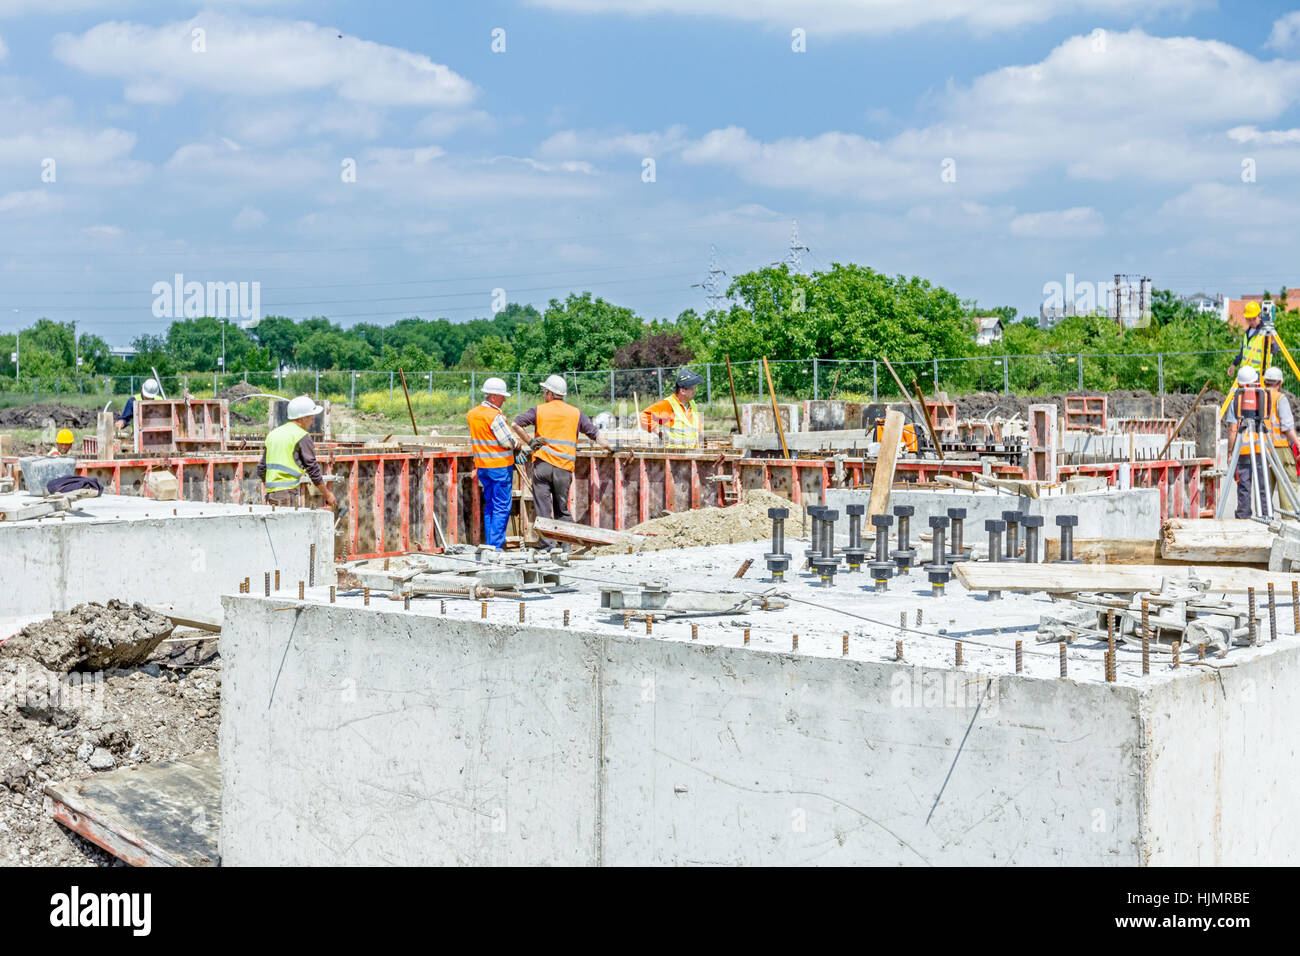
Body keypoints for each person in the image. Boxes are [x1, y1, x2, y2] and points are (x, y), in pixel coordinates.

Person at [514, 374, 613, 548]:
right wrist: (610, 448)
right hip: (563, 468)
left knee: (543, 509)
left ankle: (547, 546)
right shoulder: (575, 413)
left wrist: (529, 441)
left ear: (550, 393)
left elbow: (516, 424)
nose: (544, 394)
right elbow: (594, 433)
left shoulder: (539, 410)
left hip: (542, 466)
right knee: (562, 508)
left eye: (545, 391)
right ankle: (566, 545)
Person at [467, 377, 530, 551]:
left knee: (491, 505)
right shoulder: (494, 416)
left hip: (483, 467)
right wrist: (518, 445)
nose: (504, 399)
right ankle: (496, 547)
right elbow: (507, 441)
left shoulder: (473, 414)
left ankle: (490, 545)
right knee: (502, 506)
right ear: (493, 397)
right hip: (500, 467)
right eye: (502, 396)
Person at [258, 395, 336, 509]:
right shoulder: (301, 436)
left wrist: (272, 488)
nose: (313, 423)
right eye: (312, 418)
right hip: (286, 495)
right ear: (302, 418)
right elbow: (313, 469)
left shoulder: (273, 434)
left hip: (271, 495)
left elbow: (261, 468)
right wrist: (327, 494)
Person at [1224, 366, 1274, 518]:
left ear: (1239, 384)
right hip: (1262, 450)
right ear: (1256, 381)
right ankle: (1267, 516)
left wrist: (1231, 452)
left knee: (1244, 487)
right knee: (1264, 487)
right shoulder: (1264, 397)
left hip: (1243, 453)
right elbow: (1268, 425)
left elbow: (1233, 429)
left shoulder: (1235, 400)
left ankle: (1243, 518)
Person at [639, 368, 704, 449]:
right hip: (675, 455)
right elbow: (644, 416)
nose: (694, 391)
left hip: (692, 453)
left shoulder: (692, 403)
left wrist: (701, 442)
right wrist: (658, 432)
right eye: (691, 389)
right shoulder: (668, 404)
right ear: (683, 391)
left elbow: (697, 425)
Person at [1263, 366, 1300, 476]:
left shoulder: (1258, 397)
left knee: (1265, 488)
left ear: (1264, 382)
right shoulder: (1280, 398)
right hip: (1280, 448)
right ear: (1280, 383)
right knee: (1287, 487)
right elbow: (1287, 427)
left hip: (1262, 447)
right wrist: (1298, 444)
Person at [1230, 301, 1269, 380]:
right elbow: (1243, 352)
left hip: (1259, 374)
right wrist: (1234, 364)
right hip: (1245, 372)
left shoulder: (1266, 333)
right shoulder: (1247, 332)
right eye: (1249, 320)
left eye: (1254, 319)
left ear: (1260, 316)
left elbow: (1274, 350)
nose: (1251, 322)